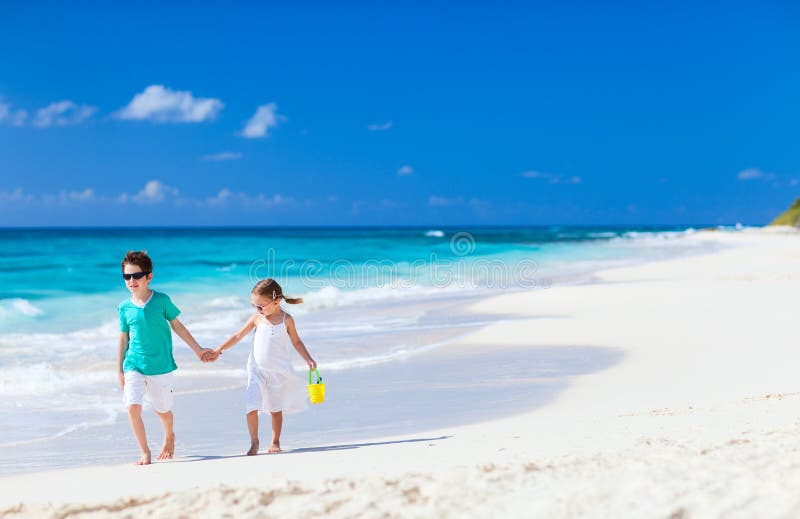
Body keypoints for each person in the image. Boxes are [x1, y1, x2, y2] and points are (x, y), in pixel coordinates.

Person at [117, 250, 215, 465]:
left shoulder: (162, 300)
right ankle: (145, 452)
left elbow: (177, 326)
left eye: (136, 276)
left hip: (161, 366)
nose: (131, 281)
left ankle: (169, 435)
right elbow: (124, 339)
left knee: (163, 411)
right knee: (132, 407)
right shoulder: (123, 308)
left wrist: (198, 350)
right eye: (126, 277)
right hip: (133, 364)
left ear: (148, 276)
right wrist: (120, 370)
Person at [212, 278, 317, 455]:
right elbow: (238, 335)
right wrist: (219, 349)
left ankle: (275, 441)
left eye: (261, 306)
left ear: (275, 302)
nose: (257, 310)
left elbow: (296, 342)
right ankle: (254, 442)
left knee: (276, 410)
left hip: (278, 372)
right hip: (256, 371)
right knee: (251, 406)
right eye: (254, 306)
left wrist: (308, 359)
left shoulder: (286, 320)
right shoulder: (257, 319)